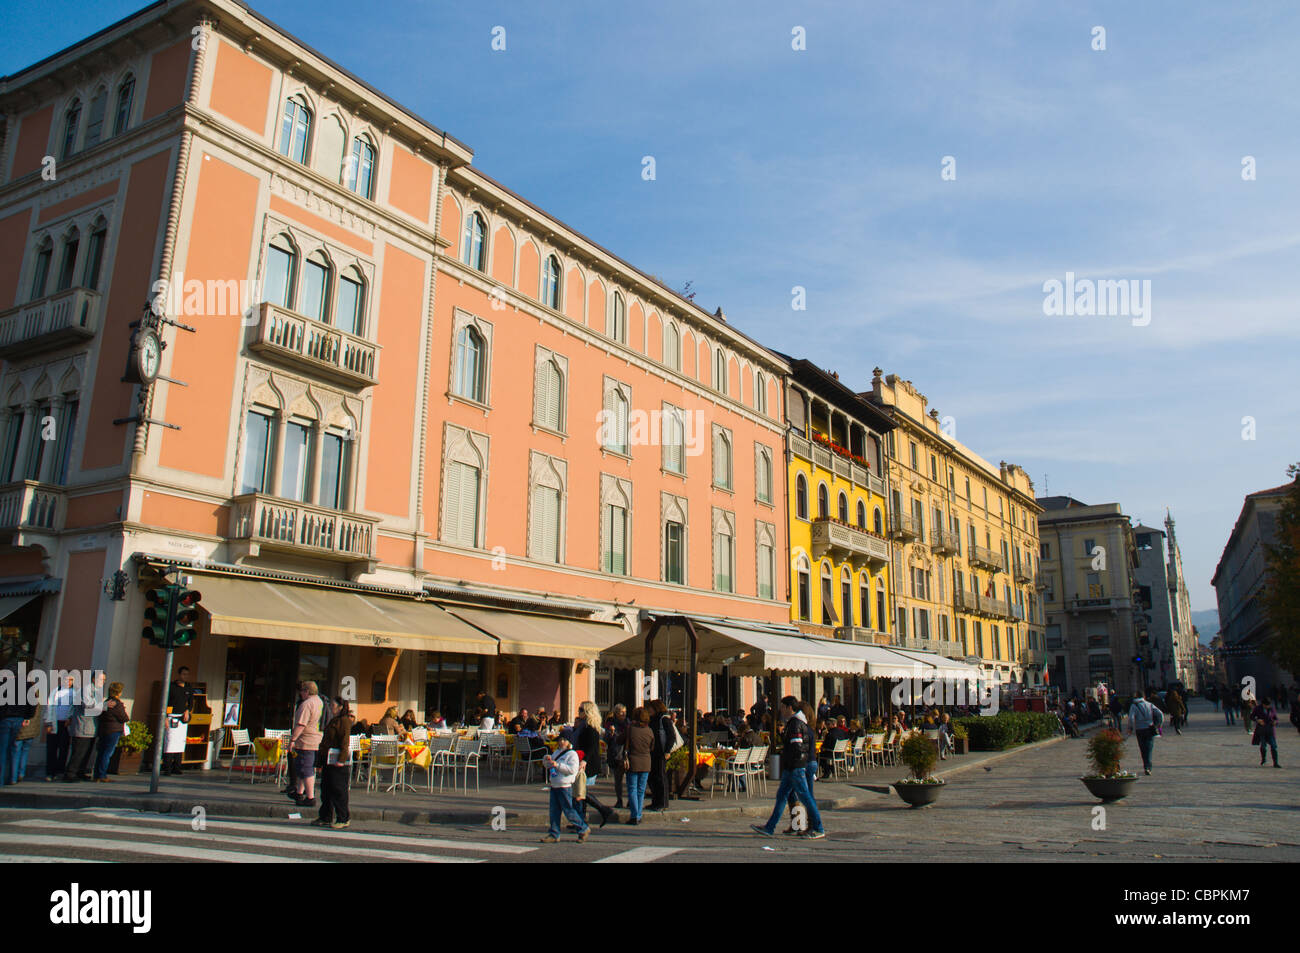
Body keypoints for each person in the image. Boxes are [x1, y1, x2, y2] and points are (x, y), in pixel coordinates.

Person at [751, 696, 825, 839]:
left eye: (783, 707)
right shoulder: (797, 723)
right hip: (793, 767)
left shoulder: (796, 724)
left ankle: (817, 827)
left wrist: (796, 766)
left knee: (805, 797)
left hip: (796, 767)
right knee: (783, 796)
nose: (781, 710)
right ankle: (771, 827)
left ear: (789, 707)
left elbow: (798, 748)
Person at [540, 732, 589, 843]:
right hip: (555, 785)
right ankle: (554, 833)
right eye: (560, 740)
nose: (561, 742)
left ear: (569, 742)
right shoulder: (556, 752)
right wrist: (546, 760)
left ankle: (583, 828)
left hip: (565, 786)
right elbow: (548, 765)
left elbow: (572, 769)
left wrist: (558, 765)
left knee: (569, 811)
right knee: (554, 811)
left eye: (564, 740)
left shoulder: (572, 754)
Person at [572, 700, 614, 827]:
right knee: (580, 793)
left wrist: (584, 760)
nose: (578, 712)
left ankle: (603, 809)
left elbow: (591, 747)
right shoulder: (584, 725)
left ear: (587, 712)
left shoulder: (590, 727)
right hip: (584, 760)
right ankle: (581, 820)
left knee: (581, 792)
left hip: (588, 762)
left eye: (580, 710)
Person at [316, 695, 355, 829]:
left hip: (337, 759)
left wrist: (341, 760)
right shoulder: (334, 720)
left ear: (340, 707)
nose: (331, 708)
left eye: (333, 706)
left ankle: (343, 818)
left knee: (338, 790)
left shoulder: (344, 721)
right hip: (328, 758)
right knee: (326, 789)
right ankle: (325, 816)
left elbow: (345, 741)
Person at [289, 681, 323, 807]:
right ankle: (299, 792)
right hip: (317, 739)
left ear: (307, 691)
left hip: (306, 741)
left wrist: (292, 740)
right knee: (305, 768)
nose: (301, 694)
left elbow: (301, 724)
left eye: (302, 691)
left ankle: (310, 797)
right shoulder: (320, 701)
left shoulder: (307, 704)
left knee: (305, 768)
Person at [0, 671, 35, 785]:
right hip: (19, 720)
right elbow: (32, 705)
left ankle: (1, 778)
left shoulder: (4, 685)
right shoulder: (27, 686)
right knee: (14, 749)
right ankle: (13, 778)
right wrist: (27, 717)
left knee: (3, 749)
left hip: (5, 719)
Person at [94, 682, 130, 781]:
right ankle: (102, 775)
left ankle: (97, 774)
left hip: (104, 729)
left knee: (101, 752)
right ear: (119, 692)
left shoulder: (106, 702)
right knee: (107, 753)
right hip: (113, 730)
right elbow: (125, 718)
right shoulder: (117, 704)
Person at [624, 707, 654, 824]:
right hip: (646, 762)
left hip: (633, 761)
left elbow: (621, 740)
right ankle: (639, 815)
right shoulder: (650, 731)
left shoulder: (631, 729)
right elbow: (652, 747)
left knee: (632, 789)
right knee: (641, 790)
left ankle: (634, 815)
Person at [162, 666, 195, 775]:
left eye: (187, 674)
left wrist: (188, 711)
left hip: (182, 718)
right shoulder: (172, 687)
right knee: (170, 742)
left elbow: (191, 702)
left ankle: (177, 766)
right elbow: (167, 702)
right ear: (179, 675)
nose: (185, 676)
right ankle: (167, 768)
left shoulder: (189, 688)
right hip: (172, 717)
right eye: (184, 674)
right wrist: (166, 716)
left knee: (180, 742)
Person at [44, 675, 76, 781]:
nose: (68, 682)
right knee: (51, 749)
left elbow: (74, 708)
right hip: (54, 723)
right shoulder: (55, 691)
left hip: (65, 724)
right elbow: (49, 706)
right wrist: (48, 723)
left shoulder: (75, 693)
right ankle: (50, 772)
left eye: (71, 680)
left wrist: (70, 718)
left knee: (64, 749)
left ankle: (60, 771)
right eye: (66, 679)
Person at [63, 692, 99, 782]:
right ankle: (70, 774)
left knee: (86, 754)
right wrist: (104, 705)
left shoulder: (95, 693)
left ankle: (80, 772)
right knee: (78, 753)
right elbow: (88, 707)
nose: (103, 682)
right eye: (101, 679)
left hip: (90, 729)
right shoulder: (85, 692)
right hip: (82, 729)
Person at [1127, 692, 1163, 776]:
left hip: (1139, 729)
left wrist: (1131, 728)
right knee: (1149, 748)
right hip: (1149, 728)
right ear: (1144, 696)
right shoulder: (1149, 704)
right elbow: (1160, 714)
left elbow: (1131, 718)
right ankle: (1148, 767)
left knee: (1142, 749)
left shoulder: (1133, 706)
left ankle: (1145, 766)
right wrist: (1159, 725)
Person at [647, 698, 671, 811]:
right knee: (652, 778)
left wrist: (667, 751)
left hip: (661, 753)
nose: (649, 710)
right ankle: (655, 801)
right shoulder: (651, 720)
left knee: (660, 777)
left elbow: (671, 736)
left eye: (650, 708)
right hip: (651, 752)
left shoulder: (664, 719)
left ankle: (663, 802)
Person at [604, 703, 629, 809]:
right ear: (616, 713)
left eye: (625, 712)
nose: (623, 714)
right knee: (618, 779)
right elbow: (606, 739)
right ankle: (619, 800)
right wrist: (611, 733)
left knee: (629, 779)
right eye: (621, 712)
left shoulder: (628, 723)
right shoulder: (610, 723)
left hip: (626, 753)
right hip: (615, 753)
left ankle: (630, 800)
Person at [1250, 697, 1280, 768]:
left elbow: (1275, 717)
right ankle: (1263, 759)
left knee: (1273, 746)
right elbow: (1252, 716)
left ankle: (1275, 762)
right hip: (1262, 730)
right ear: (1263, 704)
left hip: (1270, 730)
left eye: (1269, 705)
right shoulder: (1257, 708)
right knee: (1263, 746)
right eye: (1266, 705)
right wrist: (1258, 720)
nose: (1268, 706)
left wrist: (1275, 722)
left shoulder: (1271, 708)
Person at [818, 714, 849, 779]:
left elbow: (825, 746)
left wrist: (822, 747)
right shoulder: (842, 732)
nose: (827, 726)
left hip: (832, 753)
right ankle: (831, 768)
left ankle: (828, 770)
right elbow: (847, 739)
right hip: (841, 753)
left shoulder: (830, 733)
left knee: (818, 756)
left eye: (828, 724)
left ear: (832, 725)